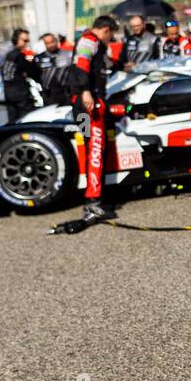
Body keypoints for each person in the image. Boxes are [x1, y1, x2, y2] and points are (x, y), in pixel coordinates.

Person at [70, 15, 118, 224]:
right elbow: (81, 67)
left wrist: (123, 66)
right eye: (111, 36)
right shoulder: (90, 40)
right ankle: (93, 202)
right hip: (88, 104)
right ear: (106, 30)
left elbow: (106, 64)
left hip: (83, 103)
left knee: (93, 149)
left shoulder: (92, 43)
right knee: (96, 150)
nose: (111, 40)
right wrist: (86, 92)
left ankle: (95, 198)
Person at [0, 28, 41, 123]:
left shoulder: (8, 55)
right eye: (25, 40)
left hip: (8, 93)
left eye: (28, 41)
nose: (27, 43)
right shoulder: (18, 55)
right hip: (20, 93)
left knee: (13, 121)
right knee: (27, 119)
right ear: (16, 40)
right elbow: (31, 71)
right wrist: (33, 63)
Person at [35, 32, 73, 106]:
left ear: (56, 41)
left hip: (66, 94)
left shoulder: (68, 54)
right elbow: (35, 74)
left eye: (52, 42)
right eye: (47, 43)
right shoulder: (39, 58)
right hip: (49, 95)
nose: (51, 45)